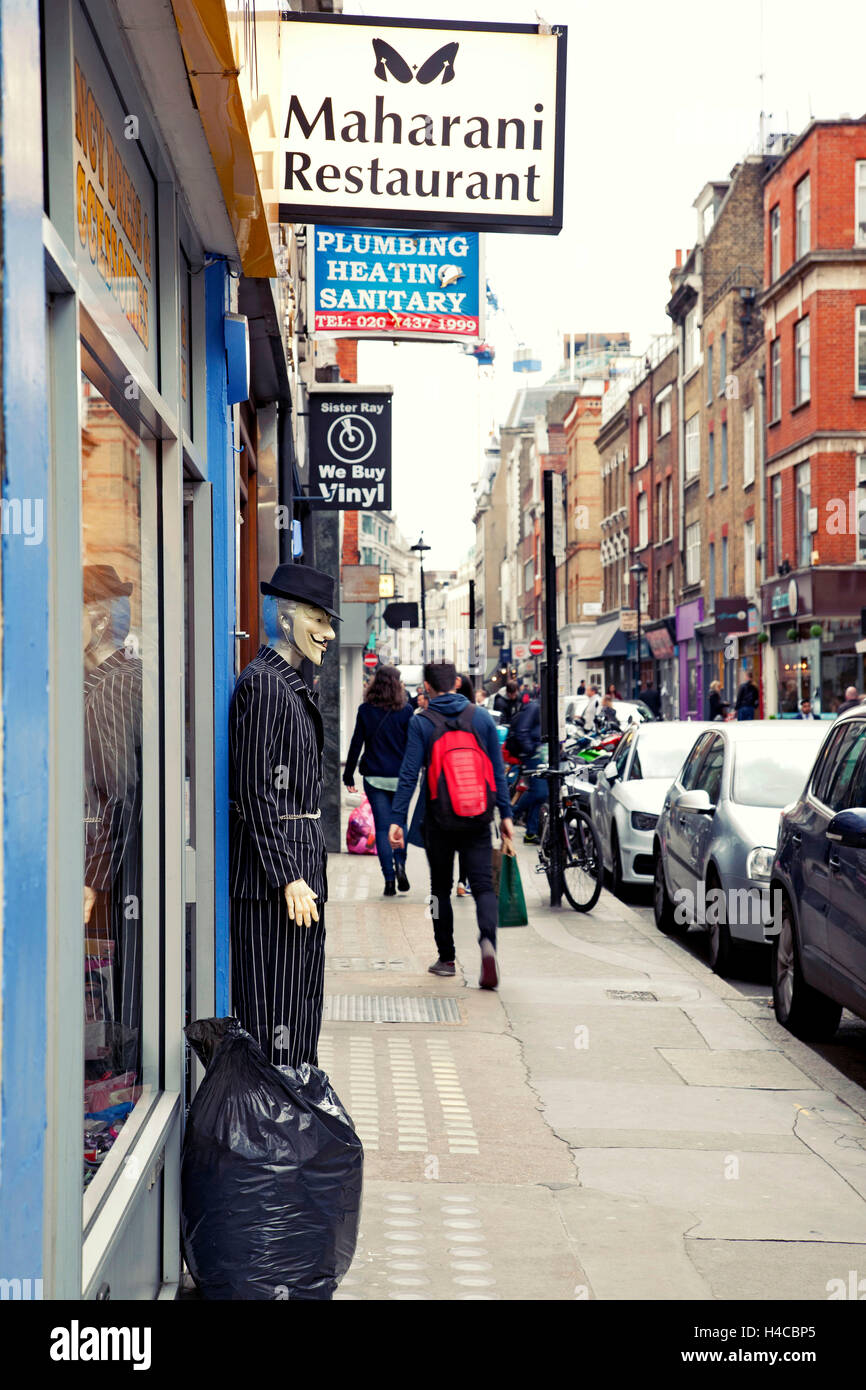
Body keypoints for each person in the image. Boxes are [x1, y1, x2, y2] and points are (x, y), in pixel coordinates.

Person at [229, 563, 337, 1068]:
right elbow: (254, 791)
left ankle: (292, 1110)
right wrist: (288, 875)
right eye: (318, 617)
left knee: (300, 1000)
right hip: (274, 882)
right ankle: (275, 1118)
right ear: (286, 616)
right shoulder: (266, 686)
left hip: (298, 868)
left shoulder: (287, 685)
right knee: (275, 1006)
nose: (329, 632)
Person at [389, 661, 514, 990]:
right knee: (484, 887)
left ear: (426, 687)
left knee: (439, 890)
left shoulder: (422, 723)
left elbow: (408, 773)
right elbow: (498, 772)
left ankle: (446, 958)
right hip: (478, 816)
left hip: (438, 820)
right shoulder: (481, 717)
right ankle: (488, 943)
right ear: (457, 683)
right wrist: (506, 816)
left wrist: (397, 820)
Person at [343, 664, 414, 896]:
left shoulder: (365, 710)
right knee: (399, 824)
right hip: (400, 779)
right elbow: (412, 747)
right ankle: (401, 864)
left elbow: (356, 743)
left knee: (383, 828)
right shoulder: (406, 711)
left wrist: (348, 774)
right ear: (397, 685)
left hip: (374, 777)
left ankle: (389, 880)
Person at [505, 692, 542, 762]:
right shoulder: (535, 707)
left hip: (535, 753)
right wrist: (531, 750)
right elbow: (522, 731)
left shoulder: (537, 707)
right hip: (532, 755)